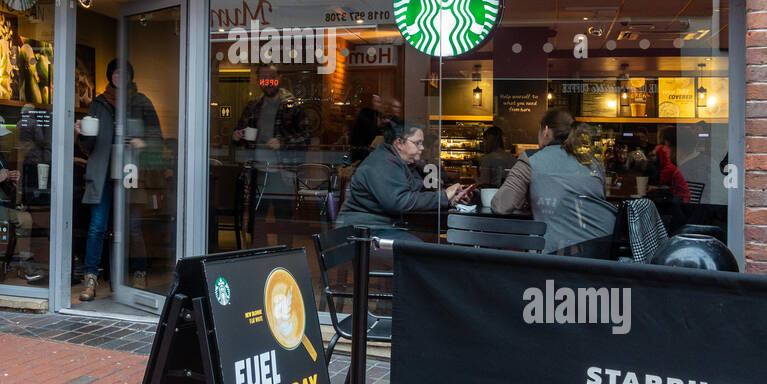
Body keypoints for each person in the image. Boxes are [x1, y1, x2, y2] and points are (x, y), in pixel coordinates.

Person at [75, 59, 163, 302]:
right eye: (115, 72)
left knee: (132, 227)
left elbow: (158, 137)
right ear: (109, 75)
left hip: (131, 172)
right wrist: (81, 132)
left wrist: (143, 143)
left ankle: (138, 273)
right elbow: (88, 147)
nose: (118, 76)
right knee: (97, 227)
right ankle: (90, 279)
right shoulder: (99, 103)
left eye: (123, 73)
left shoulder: (141, 102)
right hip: (102, 173)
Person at [491, 109, 615, 254]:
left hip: (555, 259)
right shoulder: (592, 162)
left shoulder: (531, 159)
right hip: (600, 254)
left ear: (546, 131)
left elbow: (501, 206)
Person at [338, 119, 470, 230]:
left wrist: (449, 198)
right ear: (399, 143)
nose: (422, 148)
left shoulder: (400, 162)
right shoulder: (382, 164)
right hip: (363, 232)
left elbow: (414, 191)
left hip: (381, 227)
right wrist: (444, 196)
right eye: (418, 143)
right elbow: (400, 202)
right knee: (428, 251)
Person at [232, 64, 310, 241]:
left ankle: (283, 259)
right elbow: (242, 133)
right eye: (263, 77)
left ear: (279, 78)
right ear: (258, 80)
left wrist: (282, 142)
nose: (267, 81)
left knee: (283, 221)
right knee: (257, 220)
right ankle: (259, 258)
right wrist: (237, 136)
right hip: (257, 171)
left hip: (282, 172)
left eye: (271, 77)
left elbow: (306, 137)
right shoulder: (253, 106)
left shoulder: (291, 105)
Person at [0, 114, 40, 281]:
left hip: (0, 203)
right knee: (7, 219)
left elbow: (3, 185)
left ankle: (24, 264)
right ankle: (0, 265)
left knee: (25, 218)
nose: (0, 139)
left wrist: (12, 179)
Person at [656, 127, 691, 203]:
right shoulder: (684, 167)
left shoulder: (684, 170)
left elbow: (688, 202)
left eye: (666, 145)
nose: (664, 149)